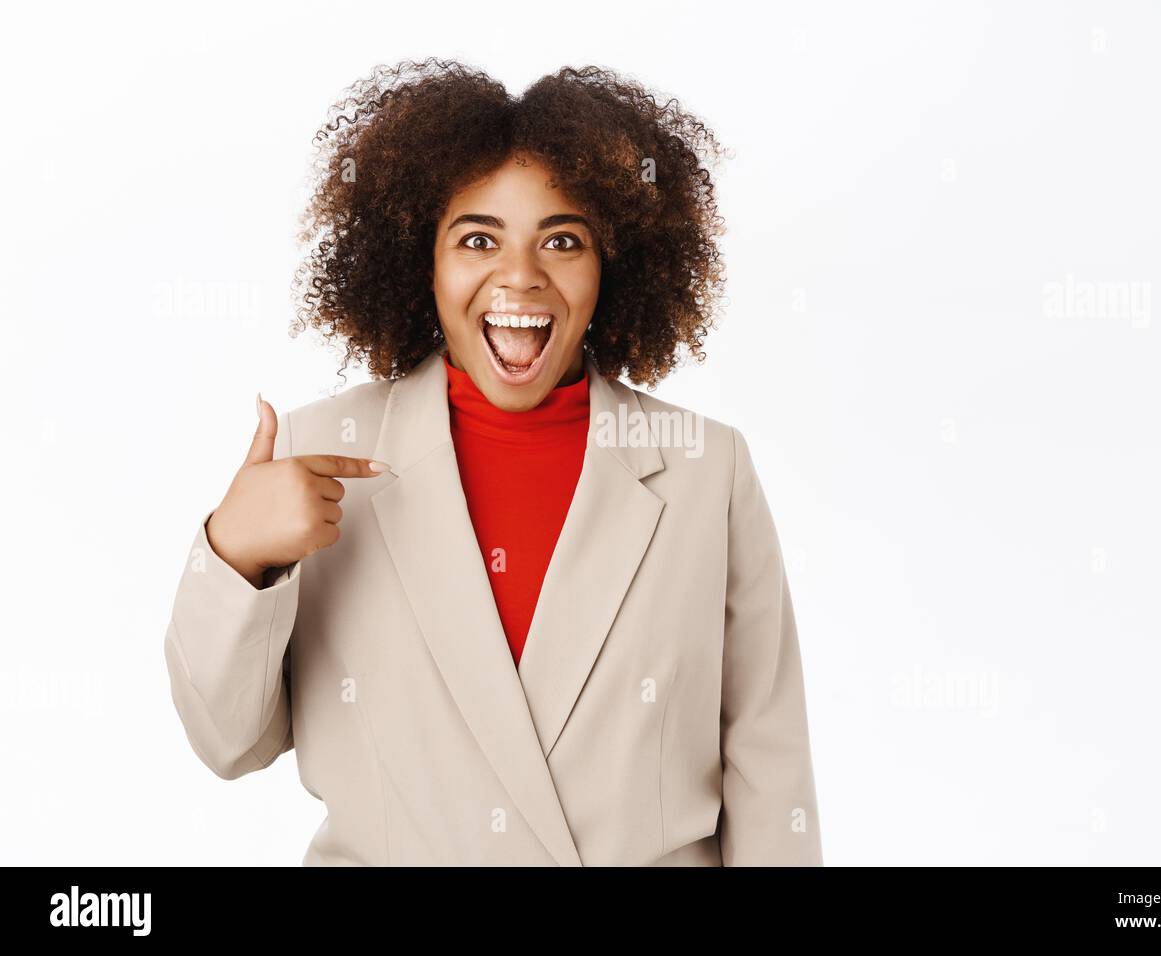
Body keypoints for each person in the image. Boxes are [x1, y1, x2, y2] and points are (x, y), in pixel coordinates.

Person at [164, 58, 822, 866]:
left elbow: (768, 758)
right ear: (421, 261)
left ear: (611, 265)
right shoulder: (318, 458)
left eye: (563, 240)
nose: (520, 276)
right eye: (478, 238)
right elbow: (226, 742)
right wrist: (237, 557)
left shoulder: (705, 468)